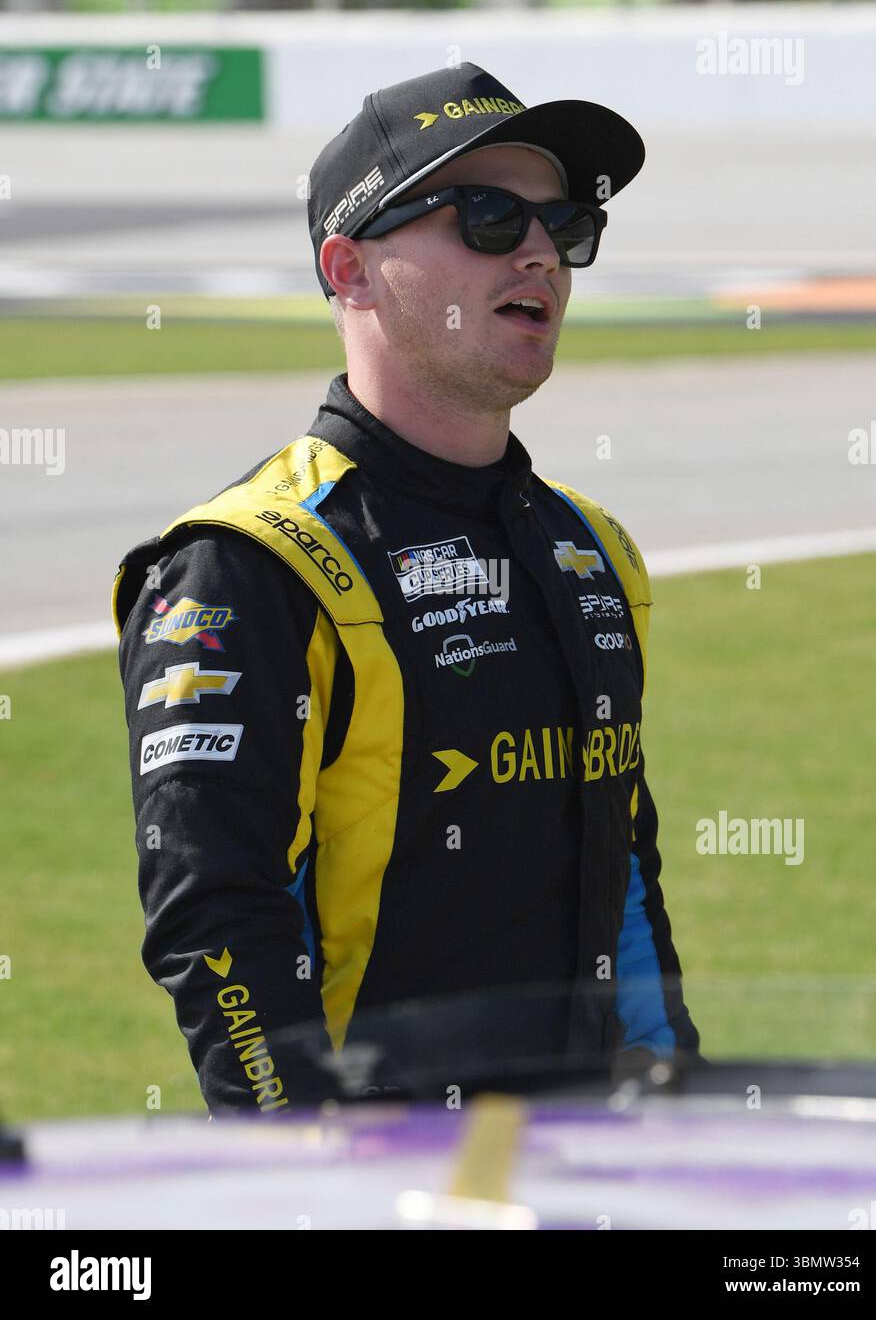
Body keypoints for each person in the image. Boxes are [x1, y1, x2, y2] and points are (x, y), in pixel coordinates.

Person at [113, 61, 702, 1118]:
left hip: (586, 1163)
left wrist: (674, 1107)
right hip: (377, 1174)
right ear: (350, 269)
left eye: (564, 225)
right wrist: (315, 1165)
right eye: (487, 216)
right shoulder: (249, 562)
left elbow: (624, 879)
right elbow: (217, 922)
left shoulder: (593, 548)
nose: (539, 252)